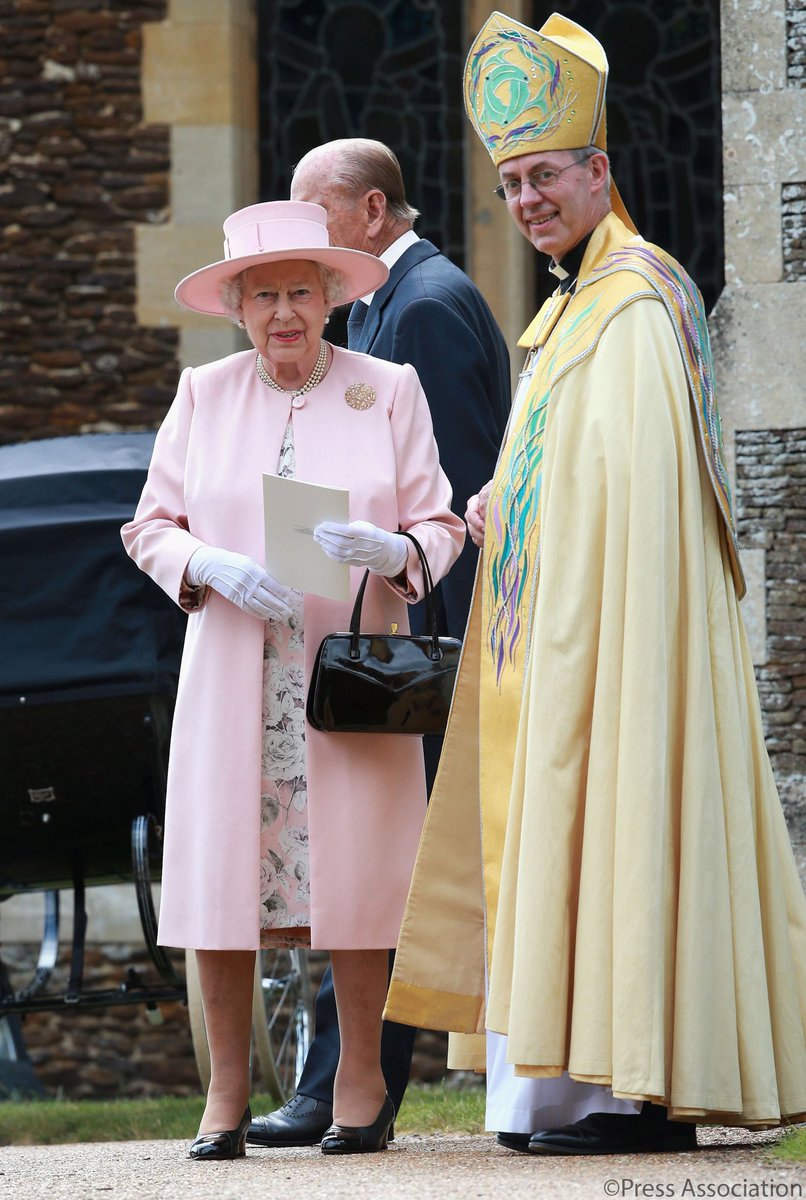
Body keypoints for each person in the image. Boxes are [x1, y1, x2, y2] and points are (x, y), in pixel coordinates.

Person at [385, 9, 806, 1156]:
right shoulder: (567, 307)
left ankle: (638, 1088)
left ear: (599, 170)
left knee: (624, 820)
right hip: (557, 631)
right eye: (511, 182)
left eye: (543, 178)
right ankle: (566, 1089)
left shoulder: (635, 298)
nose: (525, 201)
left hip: (618, 635)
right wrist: (495, 502)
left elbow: (645, 495)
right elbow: (558, 468)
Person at [121, 200, 464, 1159]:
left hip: (345, 672)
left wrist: (393, 546)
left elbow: (441, 526)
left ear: (329, 297)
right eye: (263, 293)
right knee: (224, 881)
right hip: (238, 670)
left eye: (299, 291)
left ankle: (360, 1083)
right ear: (236, 306)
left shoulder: (388, 388)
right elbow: (150, 525)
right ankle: (225, 1094)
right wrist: (205, 565)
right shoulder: (203, 392)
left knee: (359, 879)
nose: (283, 311)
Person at [248, 138, 512, 1148]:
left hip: (414, 646)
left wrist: (407, 637)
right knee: (367, 866)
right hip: (384, 630)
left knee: (376, 868)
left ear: (367, 211)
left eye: (314, 219)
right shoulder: (389, 307)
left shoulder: (428, 307)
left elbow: (449, 499)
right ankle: (347, 1086)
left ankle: (344, 1090)